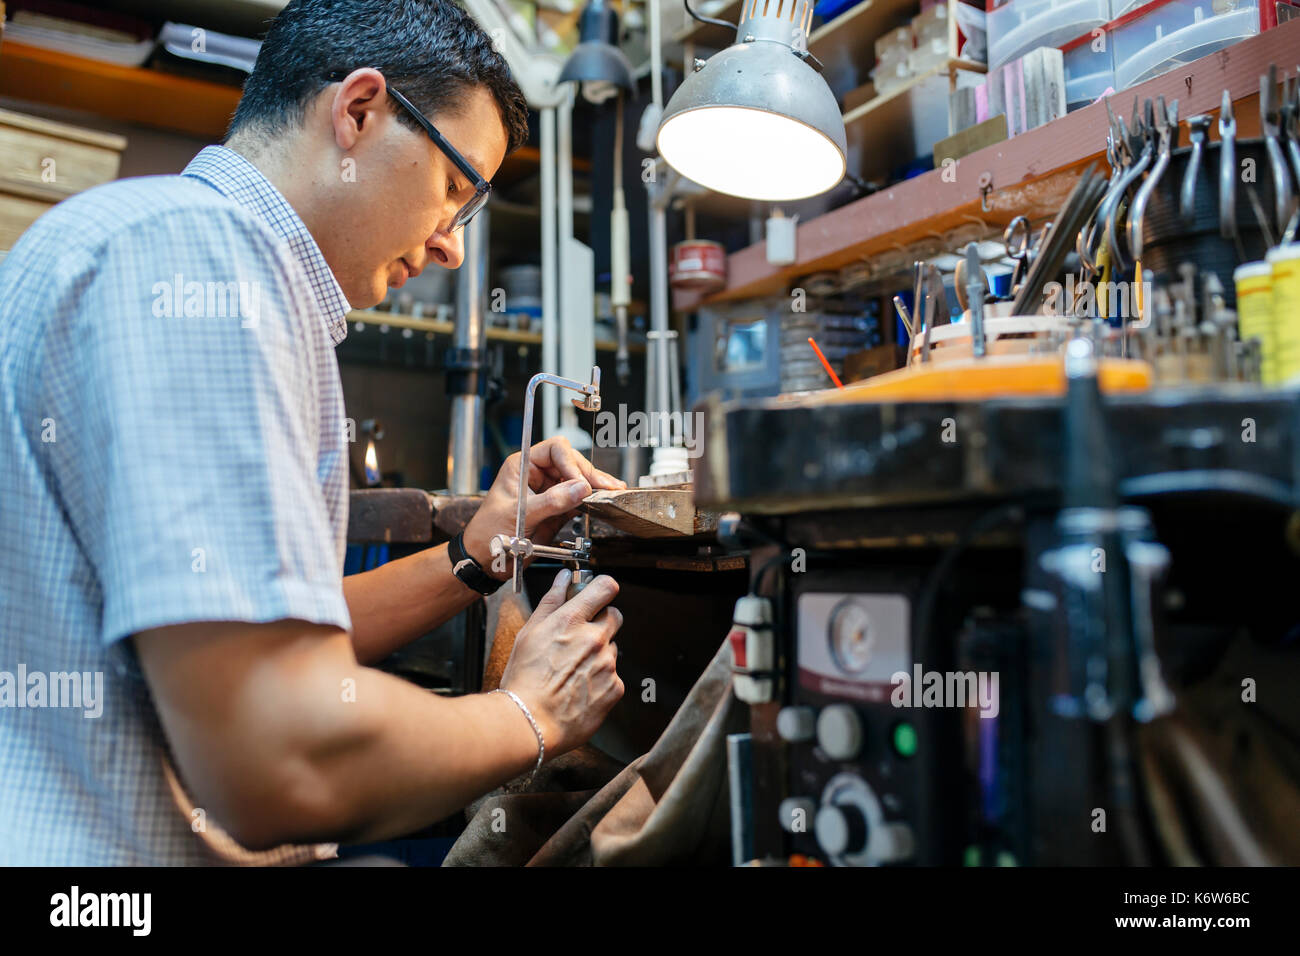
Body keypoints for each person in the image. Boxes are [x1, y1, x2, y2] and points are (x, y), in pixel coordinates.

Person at [0, 0, 625, 865]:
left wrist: (477, 555)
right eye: (453, 189)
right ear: (359, 110)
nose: (450, 247)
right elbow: (277, 756)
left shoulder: (169, 249)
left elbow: (271, 629)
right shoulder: (206, 264)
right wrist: (529, 715)